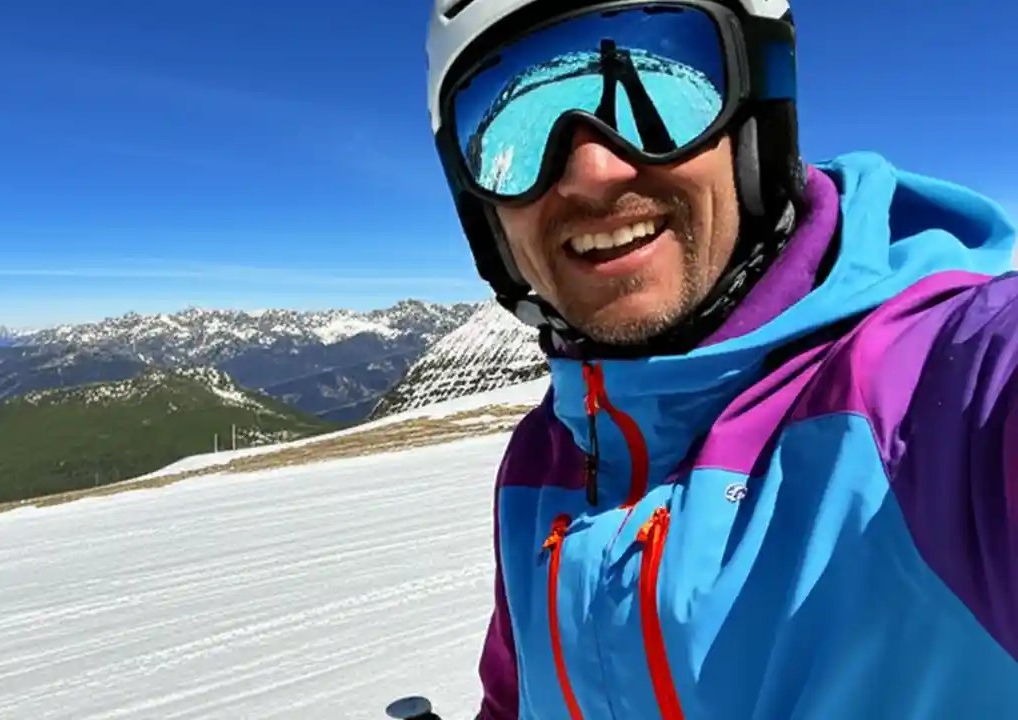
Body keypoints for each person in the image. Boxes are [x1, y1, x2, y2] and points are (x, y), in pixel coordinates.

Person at [424, 0, 1018, 718]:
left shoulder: (937, 393)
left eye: (663, 96)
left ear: (757, 116)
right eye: (514, 136)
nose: (591, 170)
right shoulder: (541, 462)